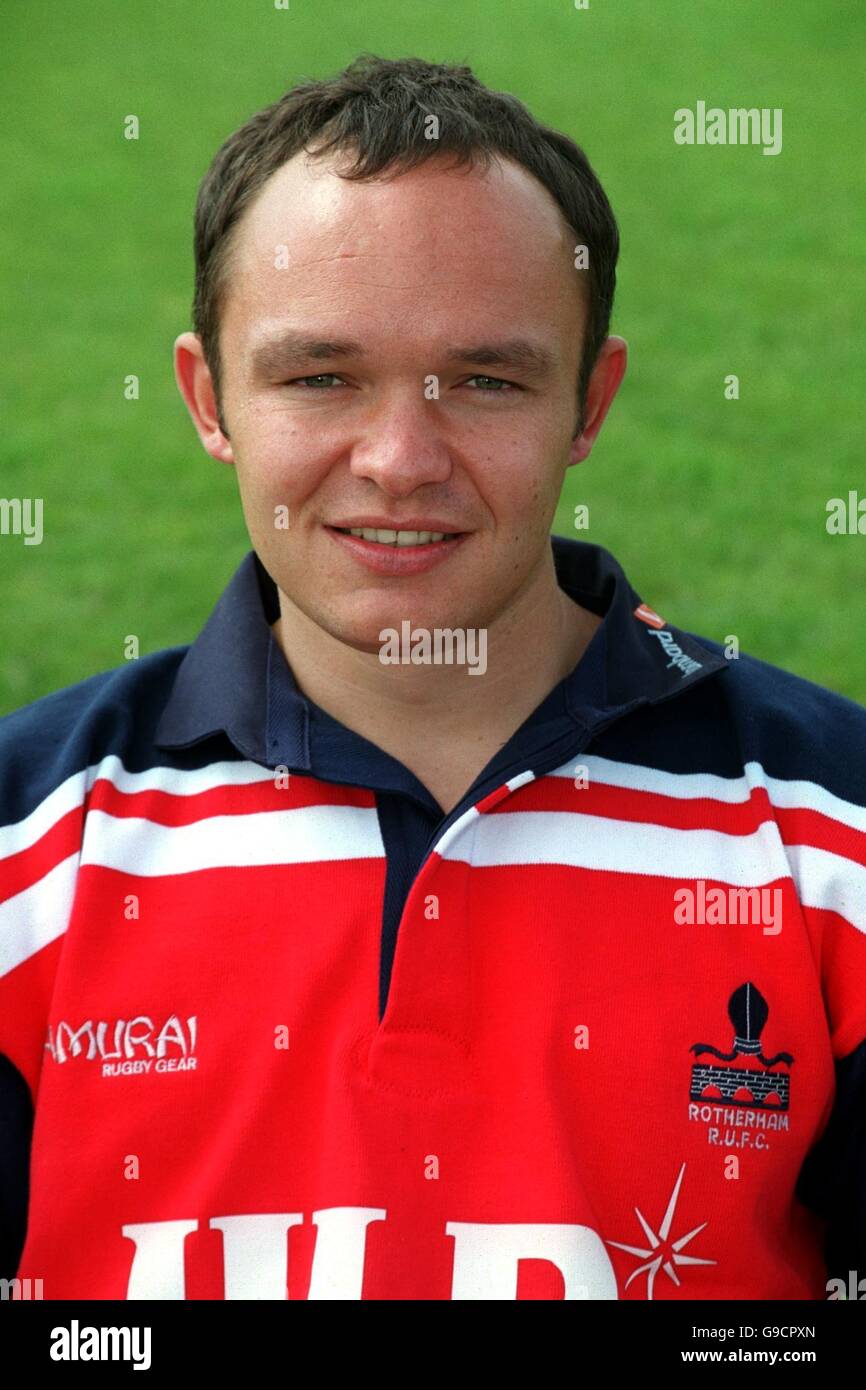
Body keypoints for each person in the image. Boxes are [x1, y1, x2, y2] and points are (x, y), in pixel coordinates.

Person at [1, 55, 864, 1301]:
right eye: (318, 377)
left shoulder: (831, 839)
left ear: (587, 403)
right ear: (208, 398)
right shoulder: (31, 851)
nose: (400, 459)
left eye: (484, 380)